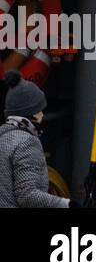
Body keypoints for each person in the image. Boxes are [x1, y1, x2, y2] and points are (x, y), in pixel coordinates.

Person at [0, 70, 69, 208]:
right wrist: (66, 203)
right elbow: (28, 196)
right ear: (30, 113)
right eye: (39, 110)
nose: (42, 115)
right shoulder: (27, 142)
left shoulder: (3, 136)